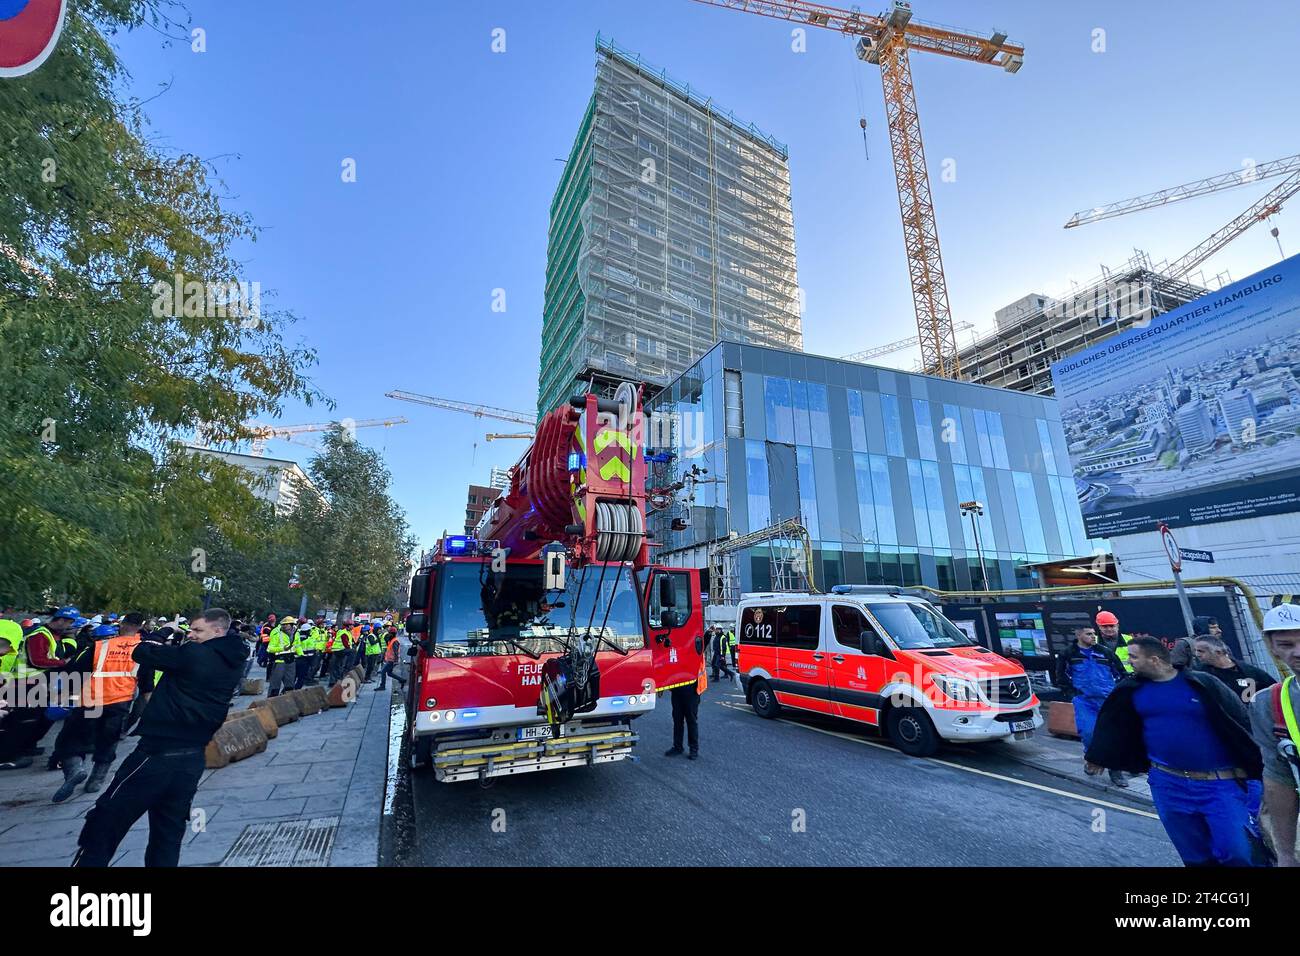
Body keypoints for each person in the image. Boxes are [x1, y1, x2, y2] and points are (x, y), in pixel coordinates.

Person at [73, 608, 245, 868]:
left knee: (105, 820)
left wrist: (164, 632)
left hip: (155, 754)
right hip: (192, 758)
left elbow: (142, 651)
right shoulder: (233, 659)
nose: (192, 635)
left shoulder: (194, 654)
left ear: (218, 631)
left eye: (198, 630)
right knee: (168, 831)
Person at [1085, 636, 1264, 867]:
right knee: (1195, 856)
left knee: (1239, 853)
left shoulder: (1202, 683)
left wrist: (1257, 770)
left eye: (1133, 657)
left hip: (1220, 785)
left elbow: (1240, 721)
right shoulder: (1130, 690)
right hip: (1168, 785)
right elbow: (1113, 723)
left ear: (1154, 659)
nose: (1129, 662)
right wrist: (1099, 756)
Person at [50, 615, 150, 801]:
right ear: (140, 627)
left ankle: (75, 769)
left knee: (71, 738)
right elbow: (147, 684)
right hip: (120, 702)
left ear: (121, 625)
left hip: (91, 699)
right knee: (108, 740)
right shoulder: (143, 650)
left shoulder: (100, 646)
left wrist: (63, 695)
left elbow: (75, 671)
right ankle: (97, 779)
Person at [1250, 603, 1300, 867]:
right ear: (1272, 647)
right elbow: (1279, 781)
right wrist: (1286, 852)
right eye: (1286, 644)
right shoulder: (1269, 704)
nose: (1298, 652)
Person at [1054, 624, 1128, 787]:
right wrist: (1073, 694)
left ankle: (1115, 770)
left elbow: (1122, 673)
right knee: (1088, 733)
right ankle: (1092, 758)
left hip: (1107, 700)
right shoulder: (1068, 654)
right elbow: (1061, 677)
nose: (1093, 636)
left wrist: (1117, 693)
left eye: (1094, 633)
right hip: (1085, 701)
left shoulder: (1105, 652)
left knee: (1112, 736)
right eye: (1089, 634)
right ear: (1079, 635)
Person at [1193, 635, 1276, 704]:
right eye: (1196, 651)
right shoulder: (1200, 674)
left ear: (1218, 652)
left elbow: (1274, 691)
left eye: (1201, 651)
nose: (1197, 654)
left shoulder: (1249, 671)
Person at [666, 647, 705, 761]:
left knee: (691, 720)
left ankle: (694, 749)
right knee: (677, 720)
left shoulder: (694, 647)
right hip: (677, 691)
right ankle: (677, 747)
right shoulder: (675, 649)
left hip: (692, 692)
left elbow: (703, 642)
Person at [265, 617, 298, 697]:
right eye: (283, 625)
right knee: (275, 683)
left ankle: (288, 699)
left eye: (287, 625)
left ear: (292, 625)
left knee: (290, 684)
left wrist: (300, 654)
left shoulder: (296, 633)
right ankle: (271, 700)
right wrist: (282, 648)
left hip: (291, 661)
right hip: (280, 661)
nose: (285, 626)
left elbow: (298, 645)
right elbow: (269, 649)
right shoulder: (277, 634)